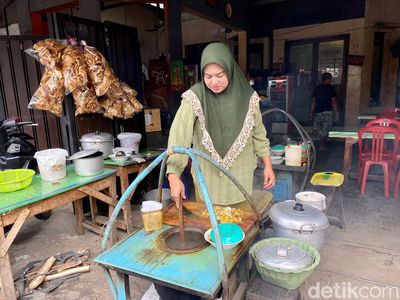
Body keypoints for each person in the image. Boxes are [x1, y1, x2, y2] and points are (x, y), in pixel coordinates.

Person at [153, 42, 275, 299]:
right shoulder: (194, 98)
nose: (214, 81)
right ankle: (213, 283)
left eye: (220, 75)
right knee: (210, 231)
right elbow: (178, 140)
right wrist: (173, 176)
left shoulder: (248, 98)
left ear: (230, 70)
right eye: (208, 76)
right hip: (207, 180)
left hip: (239, 178)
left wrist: (268, 165)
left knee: (238, 233)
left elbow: (259, 135)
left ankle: (239, 277)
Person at [310, 72, 338, 150]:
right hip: (327, 113)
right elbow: (334, 101)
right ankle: (321, 145)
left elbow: (313, 101)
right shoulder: (330, 88)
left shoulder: (316, 88)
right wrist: (336, 113)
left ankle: (309, 144)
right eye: (331, 79)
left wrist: (311, 112)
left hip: (317, 112)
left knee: (316, 128)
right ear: (329, 79)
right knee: (325, 129)